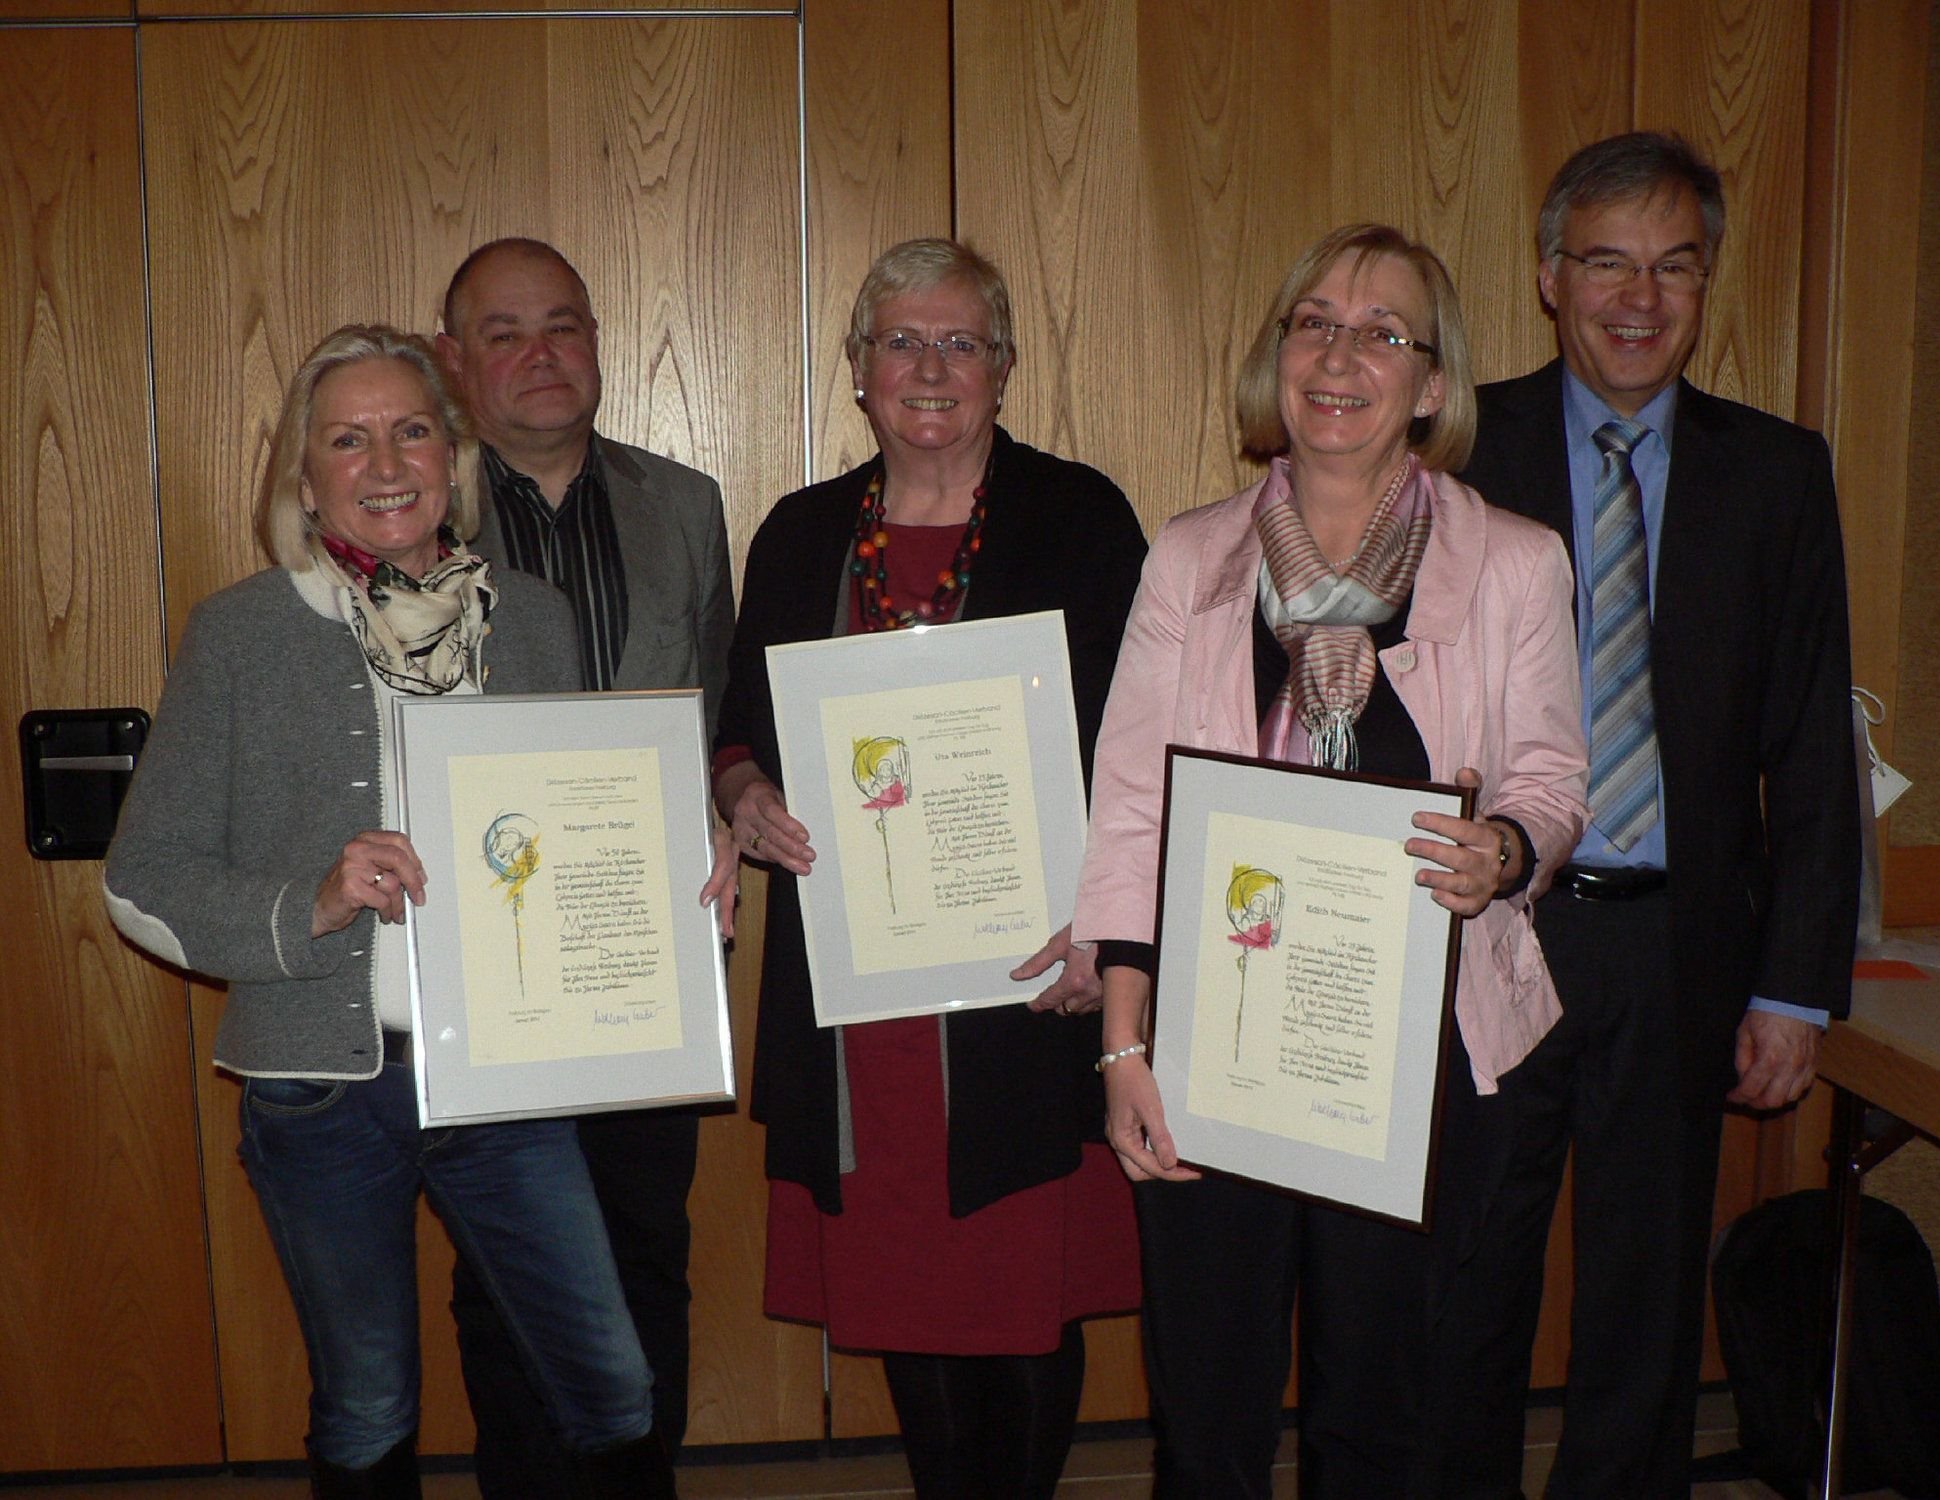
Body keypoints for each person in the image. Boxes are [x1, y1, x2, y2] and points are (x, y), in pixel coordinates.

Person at [102, 326, 676, 1497]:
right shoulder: (243, 633)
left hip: (506, 1072)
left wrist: (670, 866)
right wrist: (307, 901)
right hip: (322, 1090)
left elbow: (573, 829)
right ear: (303, 478)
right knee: (366, 1406)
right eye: (347, 438)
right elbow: (140, 879)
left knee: (610, 1384)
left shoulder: (535, 617)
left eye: (412, 429)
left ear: (453, 456)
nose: (385, 462)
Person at [1071, 223, 1589, 1498]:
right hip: (1216, 1040)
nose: (1340, 352)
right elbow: (1133, 808)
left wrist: (1506, 848)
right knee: (1209, 1418)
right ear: (1276, 359)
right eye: (1314, 322)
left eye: (1382, 331)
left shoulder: (1515, 562)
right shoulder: (1190, 558)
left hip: (1420, 1061)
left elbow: (1550, 779)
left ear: (1429, 383)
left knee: (1381, 1417)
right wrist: (1123, 1048)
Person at [1454, 132, 1859, 1498]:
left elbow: (1808, 748)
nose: (1640, 297)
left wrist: (1796, 991)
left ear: (1707, 282)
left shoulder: (1780, 474)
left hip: (1677, 948)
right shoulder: (1455, 445)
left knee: (1644, 1300)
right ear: (1551, 276)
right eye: (1608, 261)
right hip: (1489, 933)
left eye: (1674, 265)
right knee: (1468, 1282)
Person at [710, 237, 1148, 1499]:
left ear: (1003, 367)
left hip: (1025, 978)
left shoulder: (1079, 518)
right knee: (901, 1287)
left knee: (1020, 1293)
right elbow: (739, 731)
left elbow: (1139, 746)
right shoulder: (798, 536)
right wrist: (743, 798)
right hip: (861, 1005)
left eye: (961, 341)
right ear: (857, 370)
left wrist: (1104, 933)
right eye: (901, 340)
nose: (931, 366)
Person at [436, 238, 734, 1498]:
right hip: (485, 951)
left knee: (643, 1245)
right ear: (453, 364)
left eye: (564, 324)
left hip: (641, 954)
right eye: (503, 332)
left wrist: (732, 800)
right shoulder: (419, 512)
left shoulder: (686, 504)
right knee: (508, 1264)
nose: (541, 353)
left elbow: (719, 713)